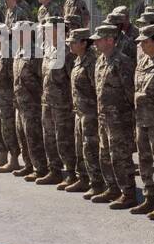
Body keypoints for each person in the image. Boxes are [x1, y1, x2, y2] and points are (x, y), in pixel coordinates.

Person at [91, 24, 137, 208]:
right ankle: (112, 188)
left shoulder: (122, 62)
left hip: (120, 118)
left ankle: (128, 193)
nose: (95, 43)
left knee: (121, 156)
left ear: (110, 40)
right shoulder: (100, 60)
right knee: (105, 154)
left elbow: (130, 91)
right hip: (104, 116)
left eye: (99, 39)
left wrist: (128, 117)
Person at [39, 16, 74, 188]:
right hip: (48, 102)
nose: (45, 30)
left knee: (64, 139)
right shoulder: (48, 49)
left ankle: (71, 173)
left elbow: (72, 80)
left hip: (63, 104)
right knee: (49, 137)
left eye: (48, 28)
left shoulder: (67, 52)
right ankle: (54, 170)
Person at [66, 27, 101, 196]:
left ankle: (97, 182)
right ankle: (84, 179)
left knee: (91, 149)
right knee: (80, 147)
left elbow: (97, 89)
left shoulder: (91, 62)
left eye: (73, 42)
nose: (70, 45)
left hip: (91, 113)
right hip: (79, 112)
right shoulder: (78, 60)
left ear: (83, 43)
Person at [11, 20, 48, 180]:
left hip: (33, 103)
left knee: (33, 136)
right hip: (20, 103)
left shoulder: (36, 53)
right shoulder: (19, 51)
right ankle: (28, 165)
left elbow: (42, 78)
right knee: (22, 135)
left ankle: (40, 168)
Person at [0, 24, 19, 173]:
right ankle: (2, 156)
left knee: (9, 130)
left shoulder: (9, 54)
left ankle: (14, 159)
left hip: (7, 101)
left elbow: (14, 80)